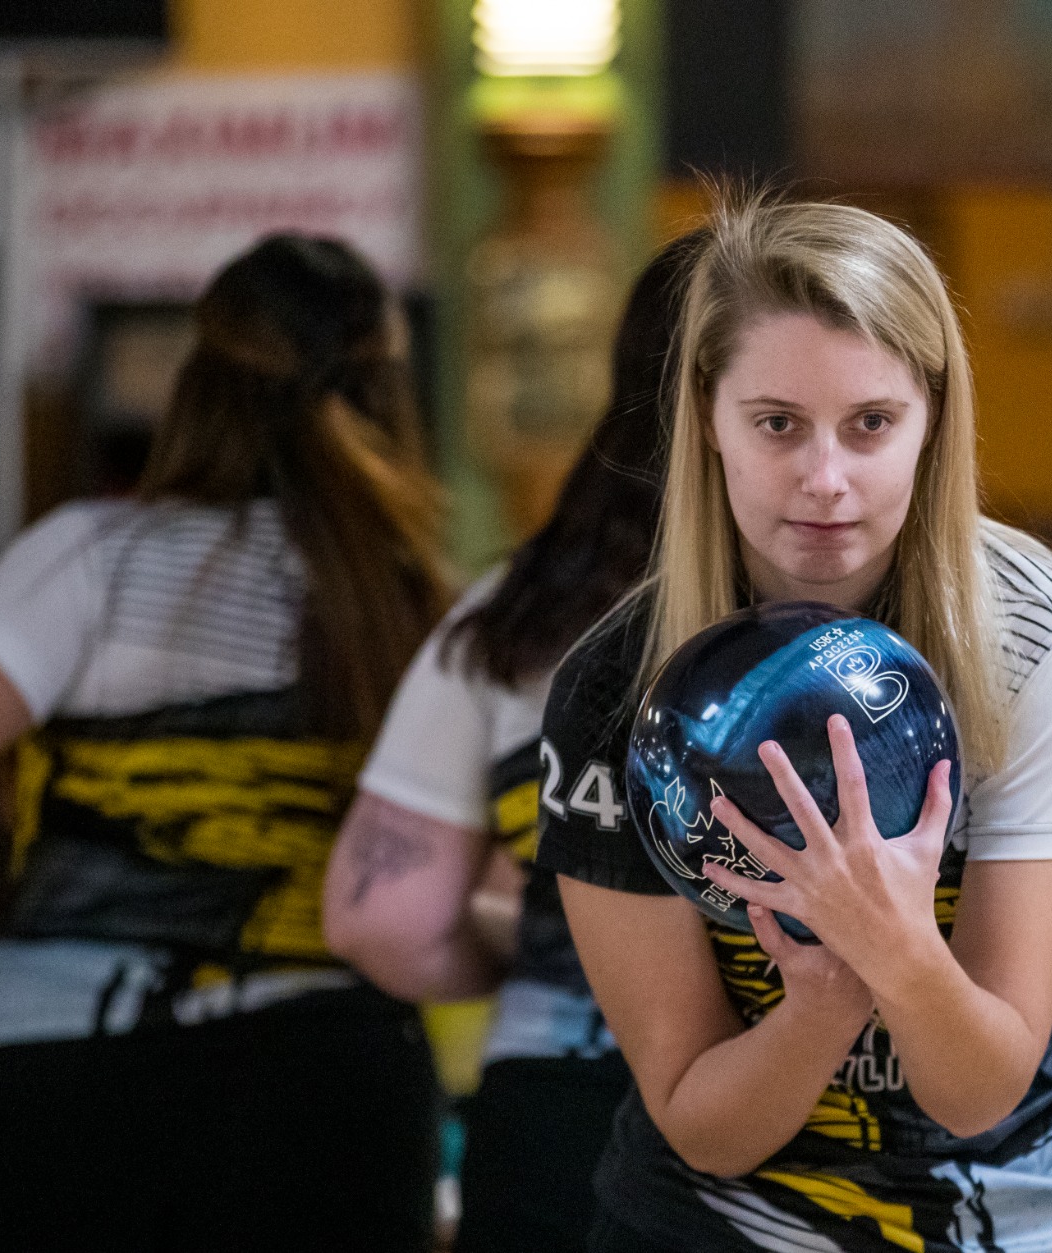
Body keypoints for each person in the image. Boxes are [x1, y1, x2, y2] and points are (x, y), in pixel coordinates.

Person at [538, 195, 1052, 1252]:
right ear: (706, 420)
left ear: (932, 422)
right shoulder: (610, 689)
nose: (826, 480)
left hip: (1013, 1204)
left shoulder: (1037, 636)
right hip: (716, 1217)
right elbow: (699, 1119)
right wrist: (820, 1001)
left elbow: (978, 1088)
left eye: (871, 424)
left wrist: (893, 950)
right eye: (776, 423)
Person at [0, 235, 450, 1252]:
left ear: (199, 380)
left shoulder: (94, 559)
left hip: (57, 1074)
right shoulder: (423, 600)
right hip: (332, 1086)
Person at [323, 231, 702, 1253]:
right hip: (833, 1111)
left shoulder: (521, 611)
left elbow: (378, 917)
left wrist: (543, 938)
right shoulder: (896, 624)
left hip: (560, 1103)